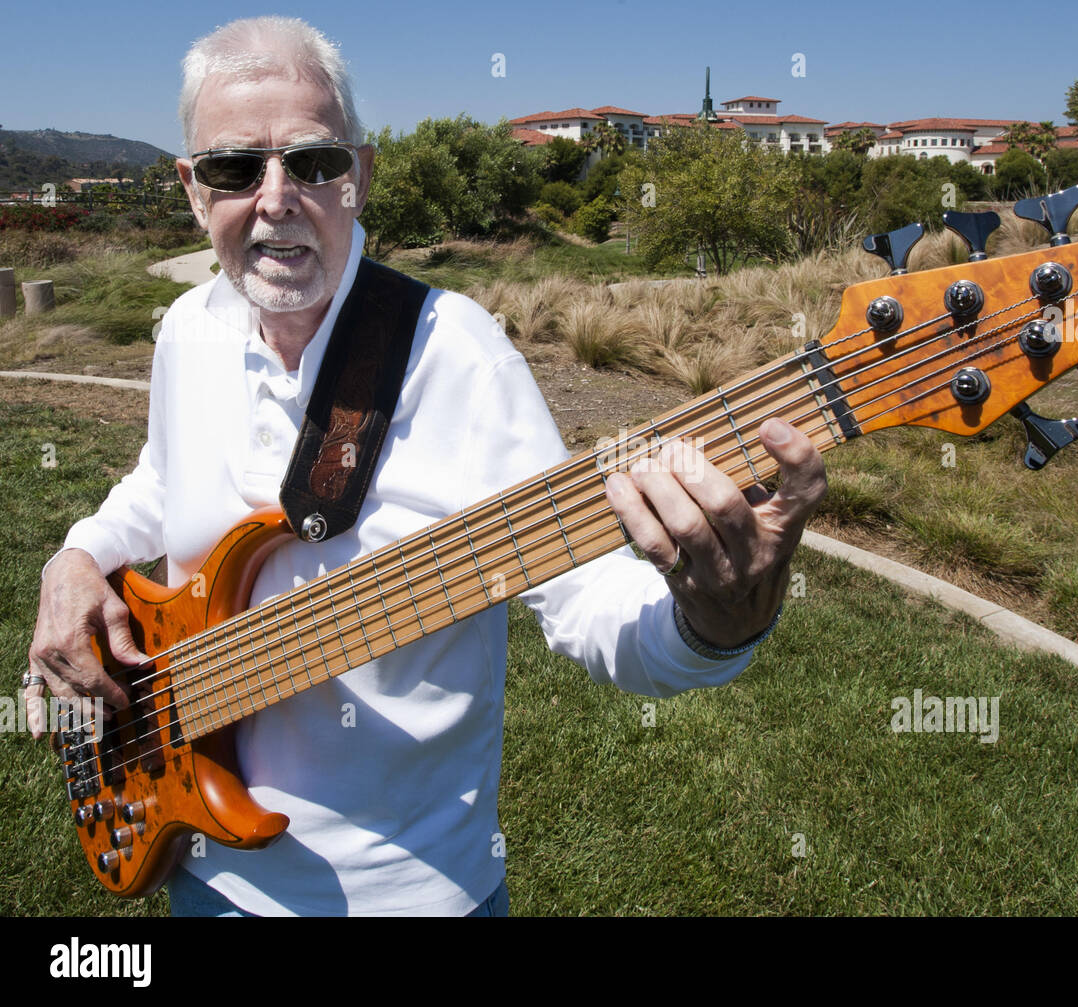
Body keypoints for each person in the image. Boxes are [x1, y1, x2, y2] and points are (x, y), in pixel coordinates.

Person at [25, 16, 826, 916]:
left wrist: (718, 621)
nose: (277, 198)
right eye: (235, 168)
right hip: (203, 872)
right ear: (191, 191)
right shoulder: (188, 328)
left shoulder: (460, 357)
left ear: (360, 176)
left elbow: (593, 613)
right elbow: (162, 480)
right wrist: (77, 555)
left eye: (315, 162)